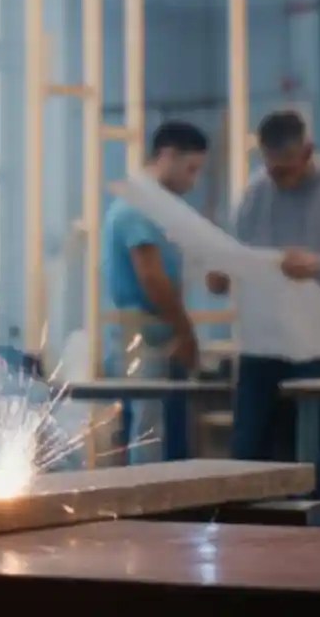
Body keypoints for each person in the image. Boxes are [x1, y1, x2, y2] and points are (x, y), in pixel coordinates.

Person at [206, 110, 320, 496]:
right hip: (260, 344)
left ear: (307, 151)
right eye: (271, 168)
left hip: (313, 347)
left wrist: (318, 265)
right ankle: (248, 544)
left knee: (314, 455)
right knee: (249, 451)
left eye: (287, 169)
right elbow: (237, 252)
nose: (279, 178)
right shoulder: (256, 191)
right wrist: (222, 272)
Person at [100, 121, 208, 464]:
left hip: (157, 328)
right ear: (168, 156)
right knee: (149, 431)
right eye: (191, 169)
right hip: (144, 330)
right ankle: (150, 513)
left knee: (160, 427)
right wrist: (185, 330)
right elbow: (152, 277)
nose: (194, 181)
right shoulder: (138, 206)